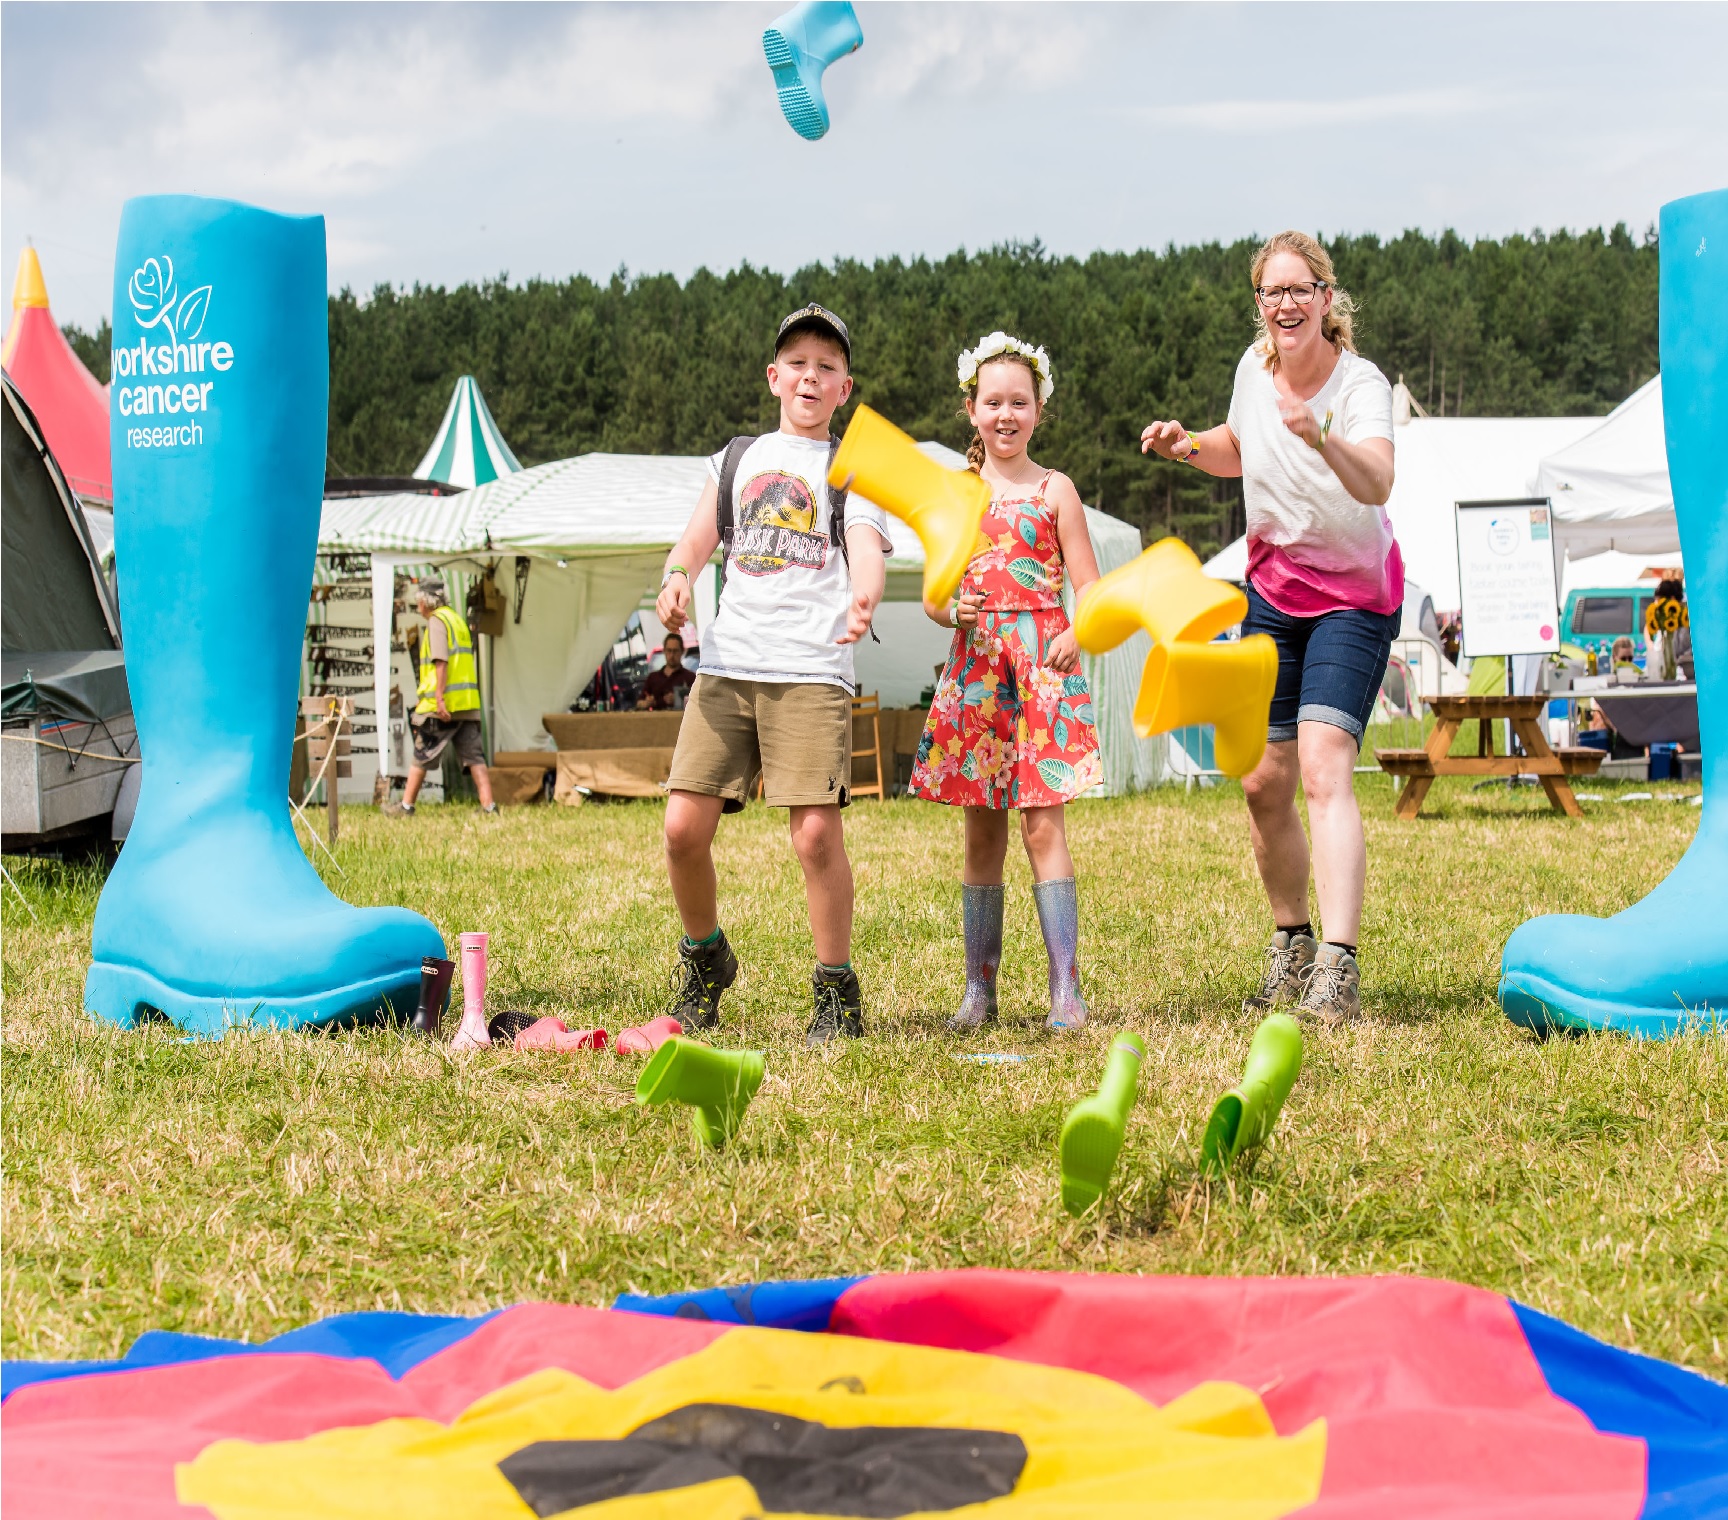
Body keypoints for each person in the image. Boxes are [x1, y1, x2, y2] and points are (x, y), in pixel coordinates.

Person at [1141, 231, 1398, 1028]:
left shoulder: (1359, 383)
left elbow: (1380, 477)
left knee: (1324, 766)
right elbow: (1239, 450)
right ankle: (1292, 941)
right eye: (1271, 292)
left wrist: (1319, 434)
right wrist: (1189, 447)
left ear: (1326, 297)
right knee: (1260, 780)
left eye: (1300, 288)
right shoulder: (1253, 372)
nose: (1285, 303)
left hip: (1354, 598)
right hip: (1274, 595)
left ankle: (1339, 969)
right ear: (1260, 304)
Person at [654, 304, 890, 1045]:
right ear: (773, 377)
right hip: (727, 666)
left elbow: (867, 544)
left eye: (826, 366)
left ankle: (835, 991)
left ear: (844, 387)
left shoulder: (856, 467)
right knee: (681, 829)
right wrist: (676, 577)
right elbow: (698, 537)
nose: (810, 376)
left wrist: (865, 596)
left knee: (815, 836)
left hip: (812, 671)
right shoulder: (736, 458)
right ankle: (704, 960)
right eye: (798, 363)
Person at [909, 333, 1103, 1032]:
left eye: (1019, 401)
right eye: (993, 401)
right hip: (977, 675)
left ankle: (1066, 992)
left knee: (1043, 828)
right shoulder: (956, 494)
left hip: (1040, 678)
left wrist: (1078, 631)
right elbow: (934, 595)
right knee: (981, 835)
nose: (1006, 414)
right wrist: (947, 608)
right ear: (972, 409)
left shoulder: (1058, 491)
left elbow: (1092, 590)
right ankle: (978, 991)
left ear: (1039, 409)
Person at [388, 577, 496, 816]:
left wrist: (438, 699)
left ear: (427, 601)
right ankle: (489, 806)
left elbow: (441, 661)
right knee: (474, 756)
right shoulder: (456, 620)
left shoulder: (437, 622)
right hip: (466, 703)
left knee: (422, 752)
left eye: (418, 601)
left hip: (444, 706)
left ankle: (406, 806)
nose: (417, 607)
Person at [1643, 577, 1690, 681]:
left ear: (1671, 599)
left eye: (1659, 600)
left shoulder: (1686, 619)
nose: (1656, 603)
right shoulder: (1666, 622)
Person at [638, 631, 697, 710]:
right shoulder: (653, 678)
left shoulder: (690, 677)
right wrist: (646, 703)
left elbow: (697, 704)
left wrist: (678, 700)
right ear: (664, 651)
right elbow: (639, 703)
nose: (672, 655)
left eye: (675, 651)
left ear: (682, 651)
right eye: (669, 650)